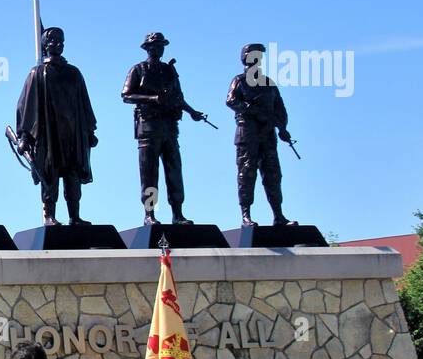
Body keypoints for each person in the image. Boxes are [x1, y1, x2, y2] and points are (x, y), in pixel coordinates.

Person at [121, 32, 206, 225]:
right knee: (149, 173)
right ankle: (150, 215)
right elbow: (126, 95)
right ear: (148, 48)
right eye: (155, 46)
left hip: (169, 127)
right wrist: (152, 99)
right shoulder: (138, 69)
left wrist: (192, 112)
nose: (158, 49)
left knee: (174, 171)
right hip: (148, 127)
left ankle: (178, 214)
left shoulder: (169, 71)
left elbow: (178, 97)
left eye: (161, 46)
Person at [16, 26, 97, 226]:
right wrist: (25, 135)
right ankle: (50, 216)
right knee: (49, 176)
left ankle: (75, 216)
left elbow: (84, 102)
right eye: (53, 41)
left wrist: (89, 130)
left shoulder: (74, 73)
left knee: (73, 176)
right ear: (45, 45)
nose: (58, 44)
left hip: (72, 134)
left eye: (61, 41)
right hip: (49, 134)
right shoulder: (38, 73)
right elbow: (27, 105)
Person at [227, 43, 295, 226]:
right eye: (253, 56)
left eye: (259, 56)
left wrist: (282, 127)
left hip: (267, 134)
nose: (257, 59)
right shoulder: (239, 80)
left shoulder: (268, 83)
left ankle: (278, 215)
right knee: (247, 173)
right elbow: (231, 101)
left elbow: (280, 109)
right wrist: (253, 110)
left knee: (273, 174)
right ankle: (246, 215)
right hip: (247, 133)